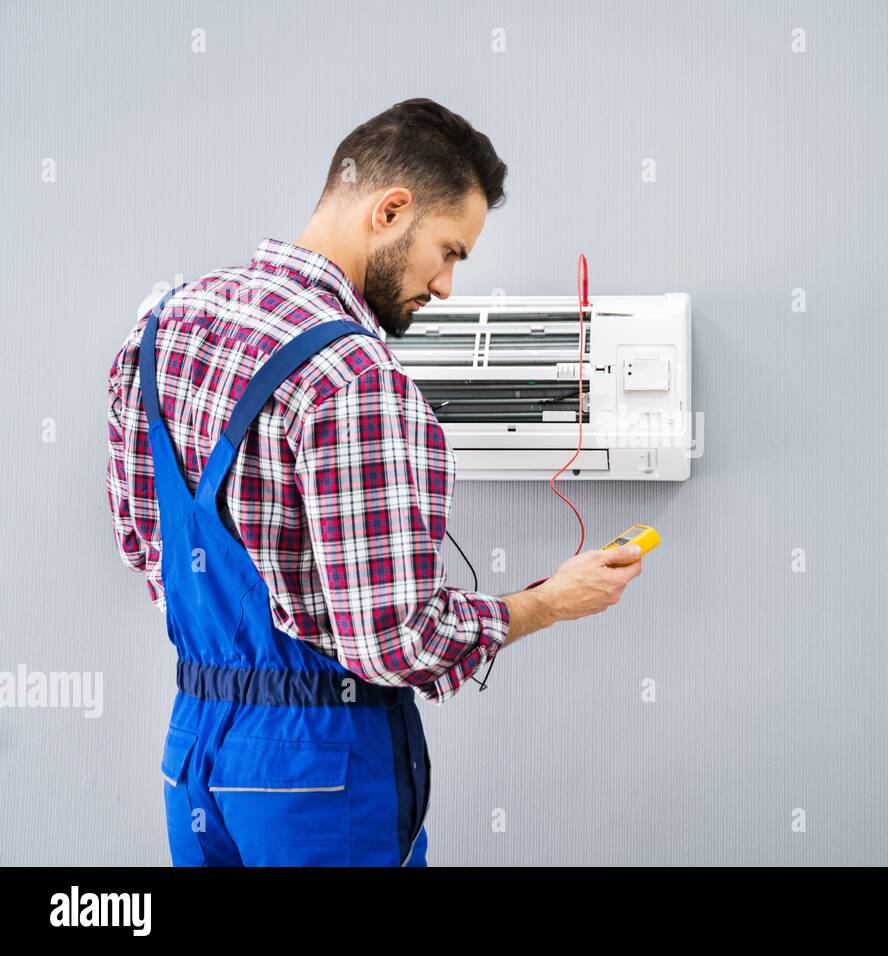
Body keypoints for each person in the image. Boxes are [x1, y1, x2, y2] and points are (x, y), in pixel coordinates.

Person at [105, 97, 643, 866]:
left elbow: (144, 544)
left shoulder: (162, 327)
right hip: (320, 766)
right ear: (390, 211)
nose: (448, 286)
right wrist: (549, 602)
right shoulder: (354, 375)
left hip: (195, 750)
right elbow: (394, 640)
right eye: (451, 250)